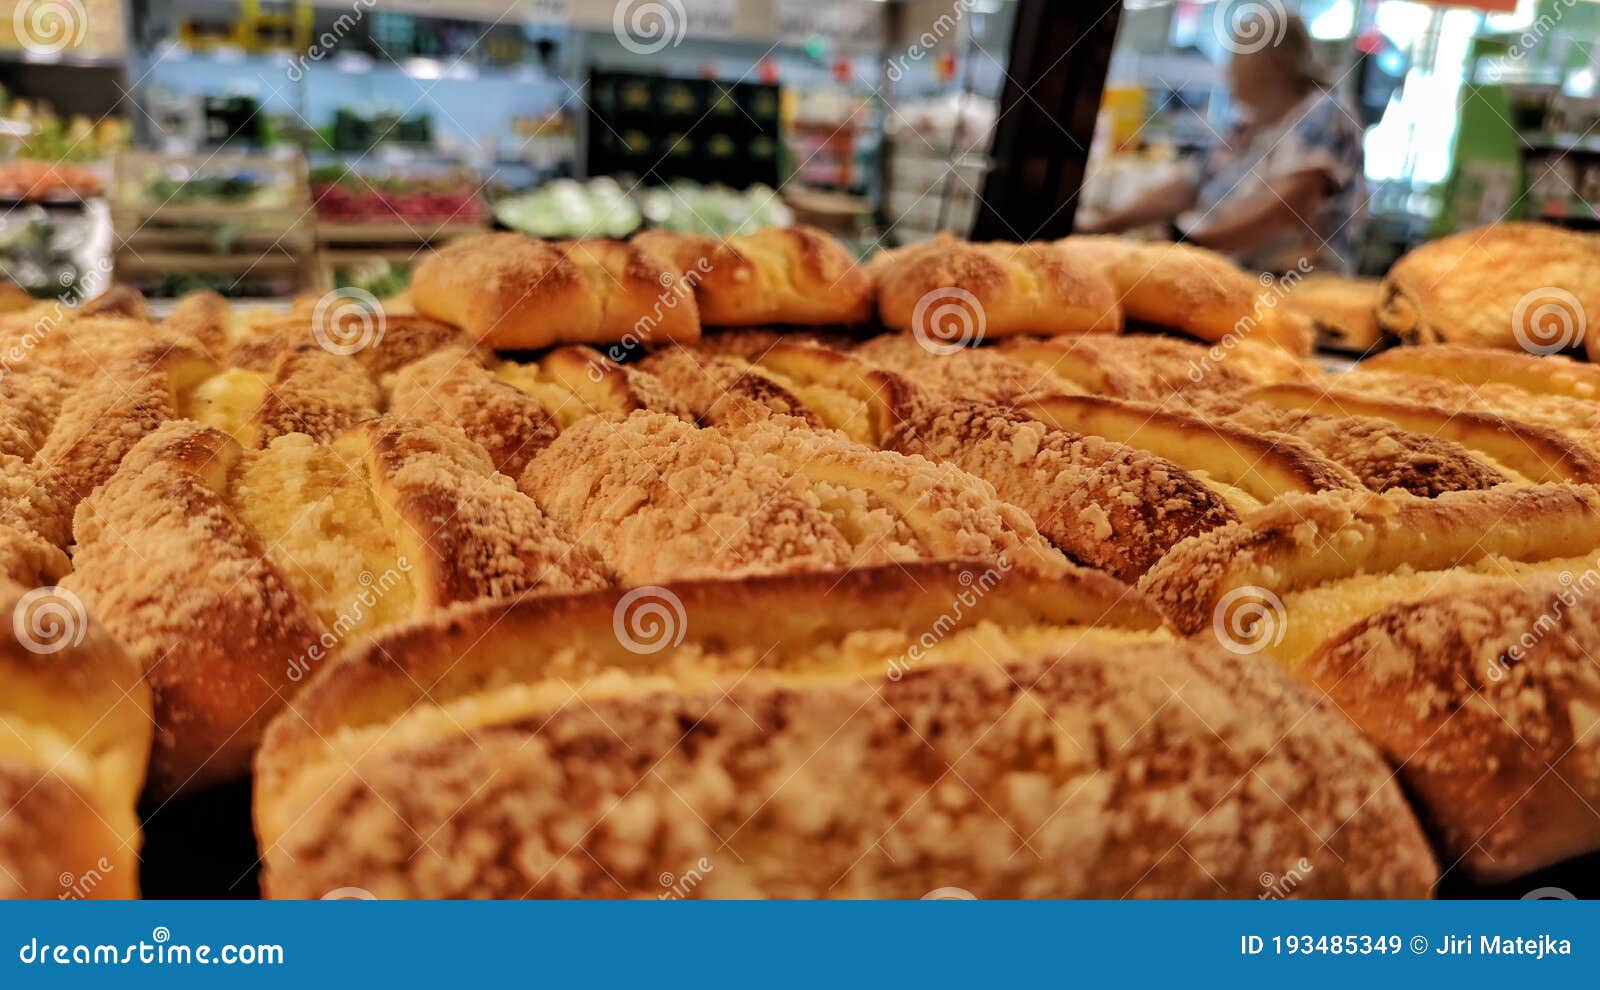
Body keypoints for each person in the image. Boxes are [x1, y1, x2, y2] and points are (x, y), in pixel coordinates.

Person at [1079, 10, 1366, 273]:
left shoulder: (1325, 112)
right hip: (1225, 273)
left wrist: (1193, 242)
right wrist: (1103, 226)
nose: (1228, 68)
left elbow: (1284, 207)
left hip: (1292, 288)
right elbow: (1185, 187)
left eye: (1236, 54)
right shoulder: (1247, 126)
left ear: (1268, 61)